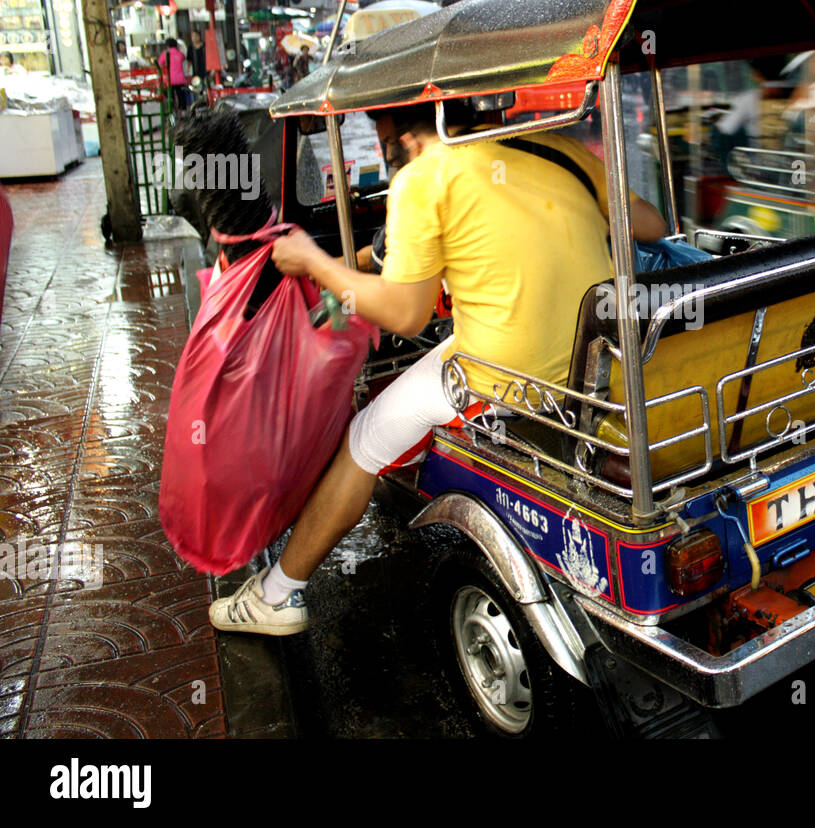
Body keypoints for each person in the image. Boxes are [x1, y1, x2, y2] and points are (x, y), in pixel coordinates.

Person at [208, 101, 667, 634]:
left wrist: (313, 261)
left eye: (375, 122)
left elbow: (405, 315)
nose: (375, 134)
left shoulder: (423, 177)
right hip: (598, 362)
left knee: (363, 439)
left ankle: (275, 596)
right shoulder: (558, 148)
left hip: (504, 376)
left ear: (399, 131)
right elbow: (652, 224)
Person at [159, 37, 192, 113]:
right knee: (181, 96)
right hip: (180, 79)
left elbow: (160, 64)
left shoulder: (165, 54)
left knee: (170, 96)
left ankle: (173, 111)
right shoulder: (180, 54)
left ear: (167, 45)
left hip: (169, 80)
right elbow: (184, 58)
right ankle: (183, 112)